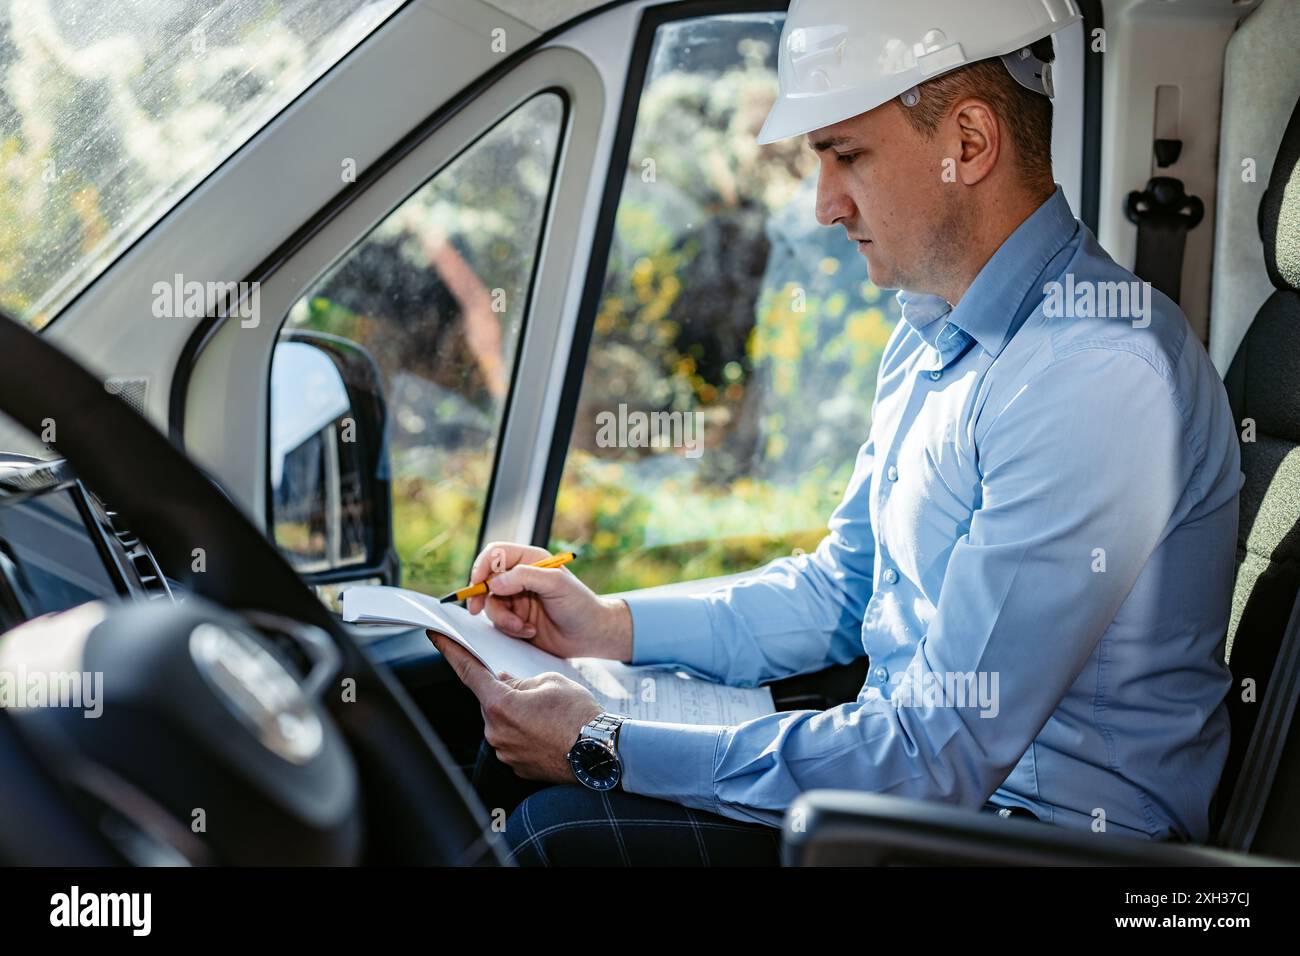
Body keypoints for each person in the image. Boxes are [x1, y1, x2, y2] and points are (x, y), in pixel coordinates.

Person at [427, 0, 1243, 866]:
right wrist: (605, 628)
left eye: (846, 156)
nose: (823, 204)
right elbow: (840, 592)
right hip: (929, 795)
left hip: (1042, 842)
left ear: (968, 142)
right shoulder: (932, 328)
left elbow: (940, 755)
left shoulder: (1094, 373)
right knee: (515, 757)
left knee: (559, 835)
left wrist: (604, 744)